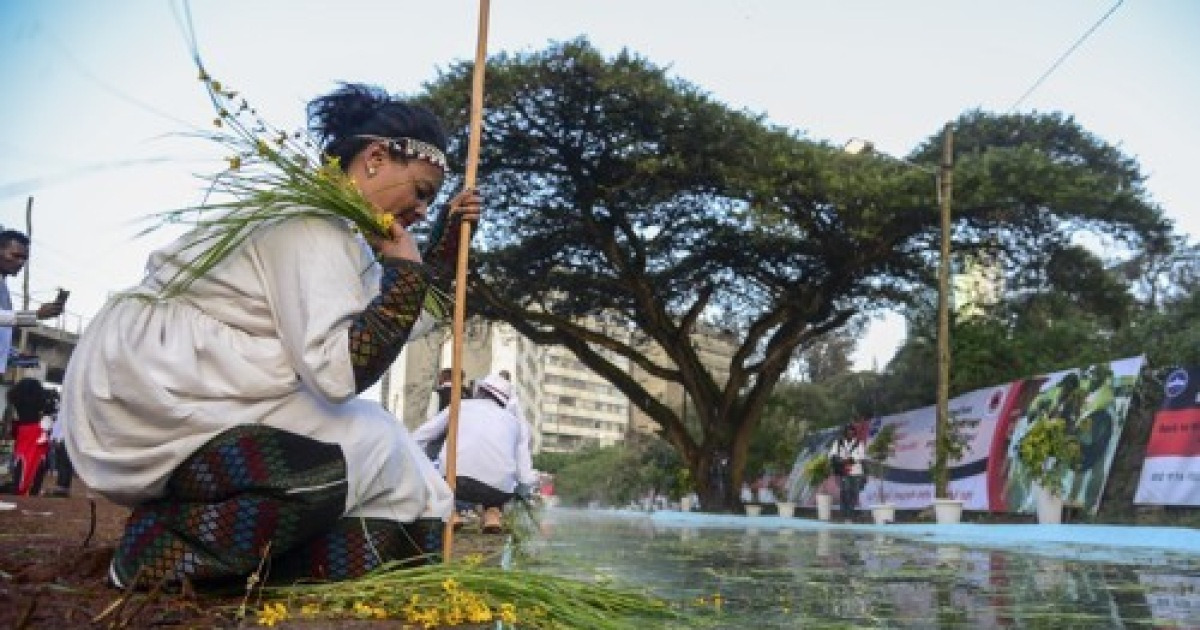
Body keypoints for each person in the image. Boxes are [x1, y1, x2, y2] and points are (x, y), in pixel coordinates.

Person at [60, 83, 482, 589]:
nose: (422, 211)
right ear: (374, 159)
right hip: (157, 388)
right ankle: (158, 550)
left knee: (406, 477)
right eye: (421, 192)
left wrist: (439, 256)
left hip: (211, 385)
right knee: (354, 452)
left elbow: (392, 319)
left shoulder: (344, 237)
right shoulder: (313, 224)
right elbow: (340, 373)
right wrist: (408, 275)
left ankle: (246, 572)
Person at [412, 373, 538, 534]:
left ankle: (451, 513)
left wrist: (419, 466)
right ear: (504, 400)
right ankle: (492, 515)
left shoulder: (459, 406)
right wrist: (522, 492)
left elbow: (420, 437)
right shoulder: (516, 424)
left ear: (479, 391)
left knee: (435, 471)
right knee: (501, 481)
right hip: (498, 491)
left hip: (454, 481)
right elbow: (525, 476)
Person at [0, 230, 65, 372]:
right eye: (15, 255)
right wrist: (36, 315)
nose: (21, 262)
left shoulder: (3, 287)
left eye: (24, 258)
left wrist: (15, 355)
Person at [6, 378, 53, 496]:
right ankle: (31, 490)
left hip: (23, 431)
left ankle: (20, 488)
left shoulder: (16, 399)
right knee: (37, 464)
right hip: (35, 431)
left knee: (21, 463)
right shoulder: (40, 402)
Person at [829, 424, 866, 522]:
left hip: (856, 472)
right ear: (845, 432)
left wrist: (850, 460)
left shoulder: (859, 443)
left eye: (852, 431)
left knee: (854, 493)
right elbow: (832, 454)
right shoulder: (838, 442)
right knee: (845, 491)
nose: (850, 433)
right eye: (848, 431)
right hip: (843, 471)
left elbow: (862, 455)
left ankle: (850, 514)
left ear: (854, 433)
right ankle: (845, 514)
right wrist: (839, 460)